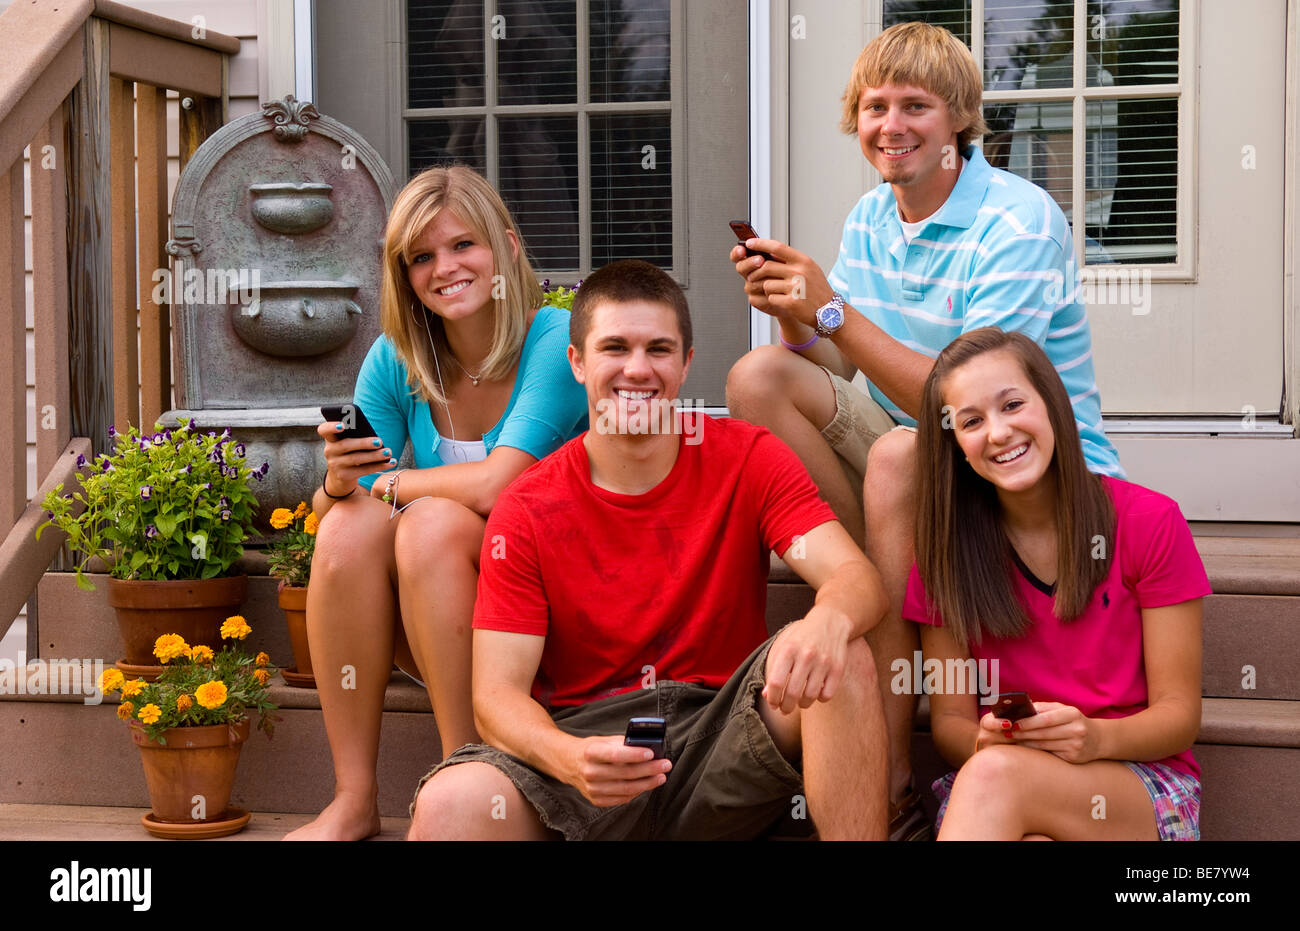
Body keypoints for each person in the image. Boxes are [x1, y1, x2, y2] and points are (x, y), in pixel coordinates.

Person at [722, 21, 1124, 838]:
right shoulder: (874, 216)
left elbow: (975, 401)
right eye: (875, 106)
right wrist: (796, 316)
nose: (891, 125)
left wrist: (833, 308)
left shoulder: (1019, 221)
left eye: (916, 106)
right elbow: (838, 371)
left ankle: (895, 769)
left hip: (1025, 465)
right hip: (905, 460)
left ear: (959, 122)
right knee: (757, 377)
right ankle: (874, 577)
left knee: (906, 451)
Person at [406, 259, 891, 840]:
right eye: (615, 347)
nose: (637, 369)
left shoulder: (748, 458)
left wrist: (828, 621)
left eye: (659, 349)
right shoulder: (528, 505)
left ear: (685, 364)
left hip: (724, 732)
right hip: (586, 746)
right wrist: (567, 758)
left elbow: (855, 578)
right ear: (577, 362)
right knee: (451, 801)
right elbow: (495, 697)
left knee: (842, 656)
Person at [284, 166, 588, 840]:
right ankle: (354, 797)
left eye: (462, 246)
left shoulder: (555, 343)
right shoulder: (399, 357)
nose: (443, 268)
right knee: (343, 530)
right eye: (421, 257)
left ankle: (467, 776)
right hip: (450, 615)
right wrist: (339, 482)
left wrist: (384, 483)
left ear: (506, 246)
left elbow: (495, 485)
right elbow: (346, 496)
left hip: (554, 617)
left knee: (431, 525)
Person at [903, 327, 1206, 840]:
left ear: (1052, 404)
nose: (998, 433)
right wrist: (986, 739)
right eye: (971, 421)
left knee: (995, 780)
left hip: (1135, 777)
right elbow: (951, 723)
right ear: (954, 444)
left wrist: (1093, 738)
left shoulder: (1149, 521)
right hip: (1001, 779)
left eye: (1013, 404)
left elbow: (1179, 715)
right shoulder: (944, 555)